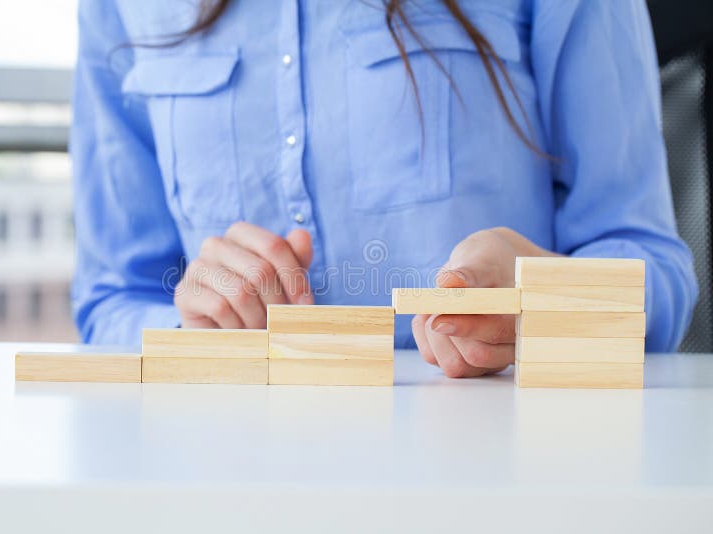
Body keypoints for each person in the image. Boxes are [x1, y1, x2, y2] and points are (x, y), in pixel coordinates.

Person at [70, 0, 698, 378]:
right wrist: (194, 333)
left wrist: (549, 299)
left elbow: (657, 271)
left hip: (504, 478)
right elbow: (113, 300)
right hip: (237, 477)